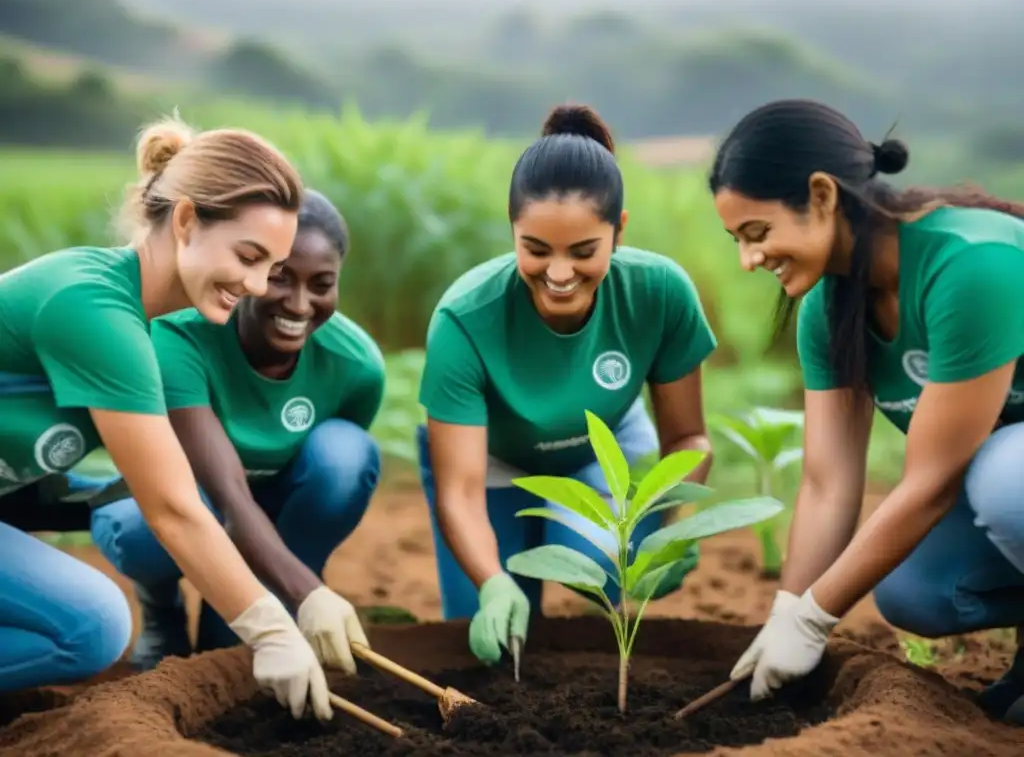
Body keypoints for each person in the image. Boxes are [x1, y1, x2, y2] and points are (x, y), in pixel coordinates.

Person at [0, 114, 341, 722]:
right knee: (94, 624)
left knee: (84, 628)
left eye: (272, 265)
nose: (260, 285)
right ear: (185, 220)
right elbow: (173, 508)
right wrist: (270, 629)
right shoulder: (92, 308)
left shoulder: (135, 319)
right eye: (249, 255)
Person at [709, 98, 1024, 724]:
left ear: (822, 195)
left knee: (1004, 482)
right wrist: (788, 612)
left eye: (757, 233)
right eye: (737, 241)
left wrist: (816, 618)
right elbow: (828, 484)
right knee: (917, 591)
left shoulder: (970, 265)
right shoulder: (829, 312)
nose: (749, 259)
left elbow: (932, 482)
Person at [416, 103, 718, 669]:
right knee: (492, 647)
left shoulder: (659, 294)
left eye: (583, 252)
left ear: (618, 230)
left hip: (596, 457)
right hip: (490, 464)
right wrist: (491, 582)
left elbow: (689, 440)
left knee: (600, 568)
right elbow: (459, 489)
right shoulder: (465, 317)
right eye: (535, 250)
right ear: (511, 231)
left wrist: (671, 530)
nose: (559, 274)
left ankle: (589, 548)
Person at [91, 189, 384, 675]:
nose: (299, 303)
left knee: (347, 457)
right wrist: (310, 595)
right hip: (186, 501)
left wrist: (299, 587)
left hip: (264, 509)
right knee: (141, 528)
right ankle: (161, 605)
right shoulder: (181, 335)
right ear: (250, 270)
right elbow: (225, 498)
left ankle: (282, 584)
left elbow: (329, 484)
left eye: (322, 284)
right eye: (279, 277)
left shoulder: (356, 366)